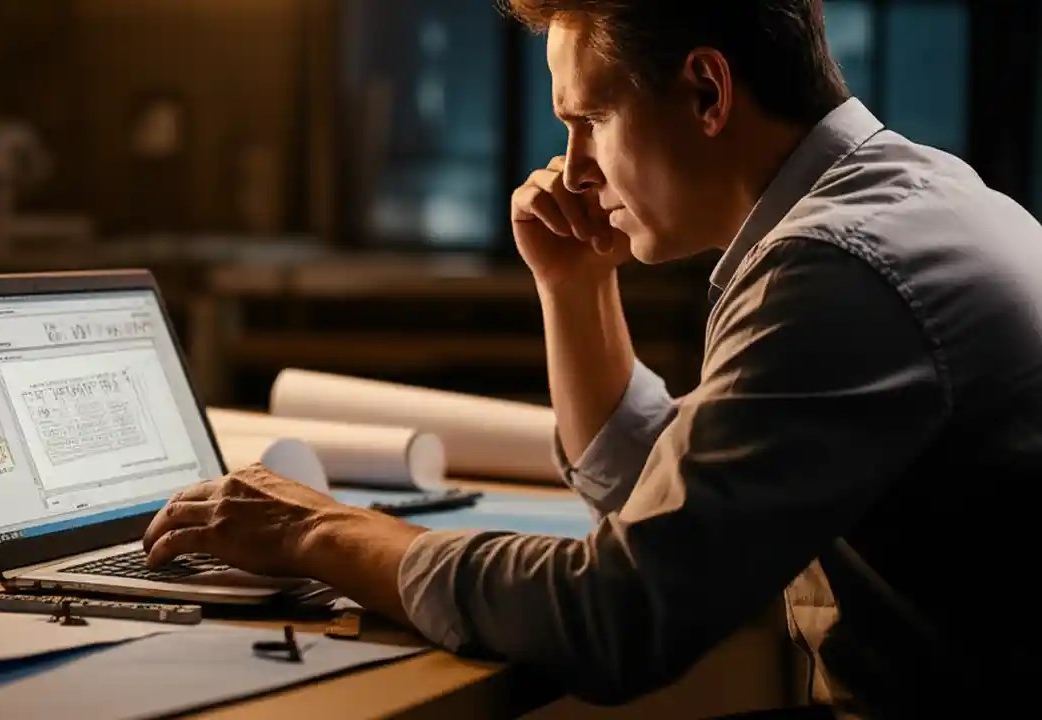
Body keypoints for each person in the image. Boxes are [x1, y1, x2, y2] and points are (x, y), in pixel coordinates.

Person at [143, 1, 1042, 715]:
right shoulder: (914, 196)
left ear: (706, 92)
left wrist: (319, 532)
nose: (572, 169)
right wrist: (575, 291)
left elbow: (617, 615)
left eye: (590, 118)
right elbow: (675, 492)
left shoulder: (838, 266)